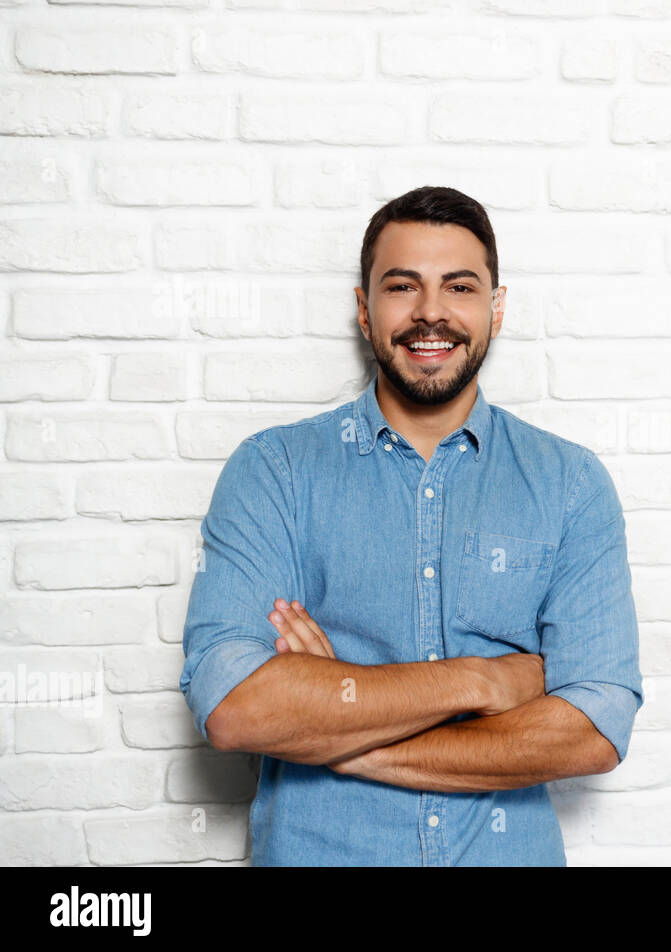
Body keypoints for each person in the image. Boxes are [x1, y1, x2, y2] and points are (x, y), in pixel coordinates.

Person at [179, 185, 643, 866]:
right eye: (403, 287)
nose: (431, 313)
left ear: (496, 307)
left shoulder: (569, 484)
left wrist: (340, 732)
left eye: (459, 286)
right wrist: (485, 682)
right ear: (365, 311)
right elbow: (236, 707)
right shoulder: (275, 471)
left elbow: (593, 730)